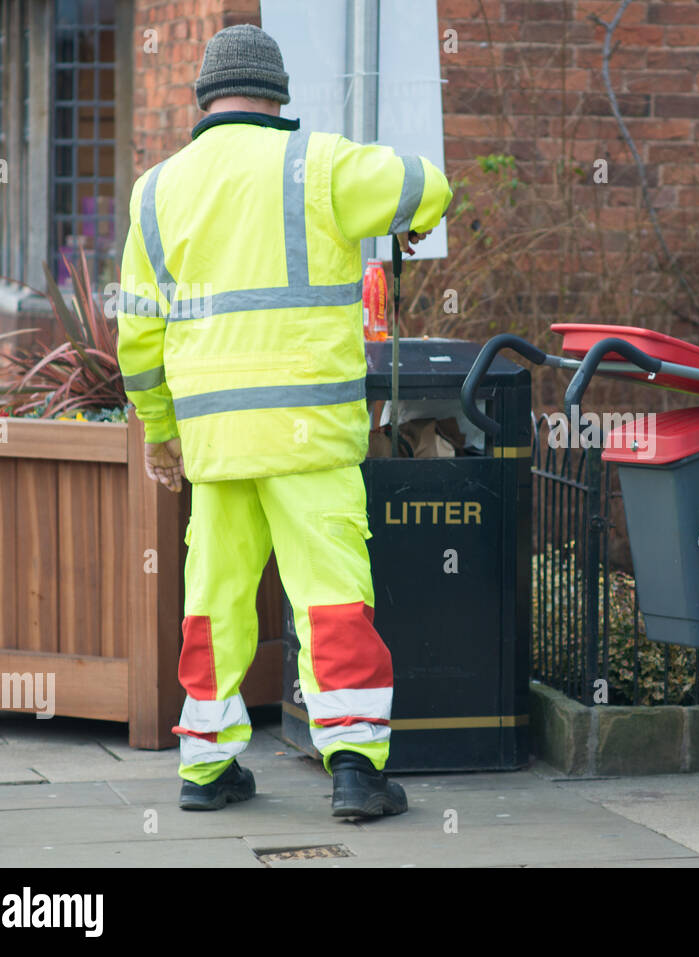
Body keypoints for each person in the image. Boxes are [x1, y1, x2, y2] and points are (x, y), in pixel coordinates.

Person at [115, 23, 452, 817]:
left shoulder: (157, 190)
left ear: (204, 99)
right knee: (331, 596)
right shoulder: (320, 163)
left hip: (216, 441)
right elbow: (426, 184)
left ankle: (205, 768)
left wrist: (160, 430)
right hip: (309, 437)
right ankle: (356, 772)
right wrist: (406, 219)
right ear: (277, 97)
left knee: (215, 599)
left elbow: (137, 329)